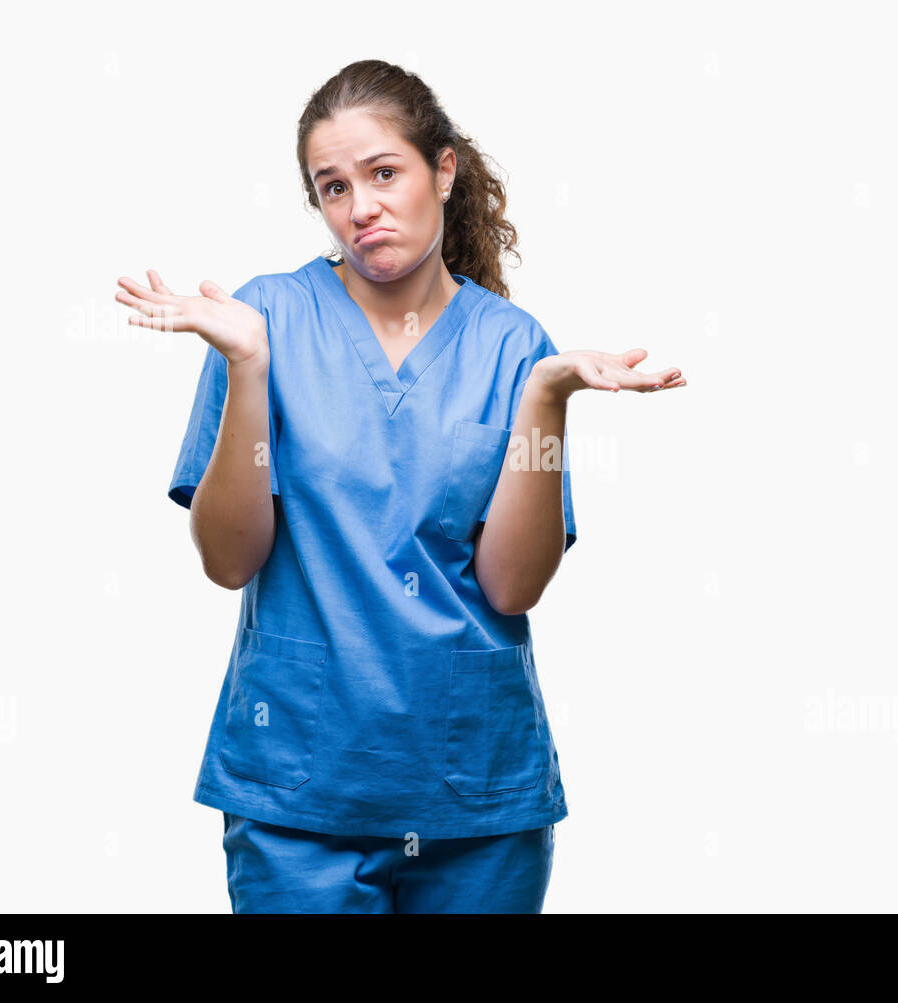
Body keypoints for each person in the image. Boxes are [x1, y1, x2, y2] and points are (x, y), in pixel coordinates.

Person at [115, 59, 686, 913]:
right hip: (299, 795)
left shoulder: (512, 346)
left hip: (475, 798)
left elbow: (513, 584)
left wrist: (545, 401)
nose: (361, 207)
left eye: (385, 173)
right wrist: (246, 367)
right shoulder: (260, 321)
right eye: (332, 186)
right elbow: (229, 561)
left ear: (443, 170)